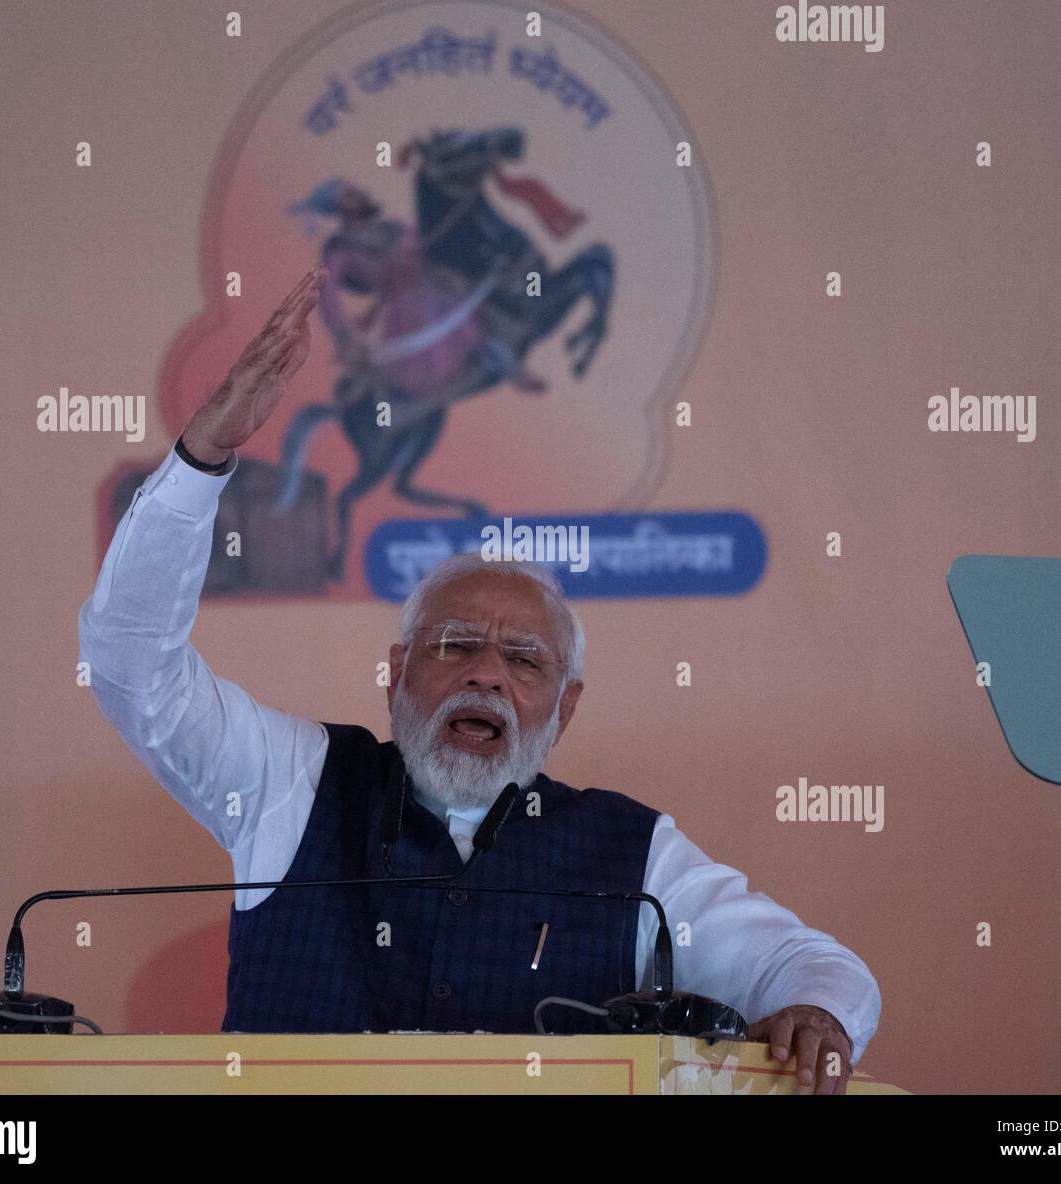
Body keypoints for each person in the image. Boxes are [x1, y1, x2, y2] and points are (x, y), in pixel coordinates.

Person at [78, 265, 881, 1094]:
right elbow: (132, 667)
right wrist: (200, 458)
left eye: (523, 660)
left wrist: (814, 1011)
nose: (486, 676)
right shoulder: (289, 782)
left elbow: (810, 965)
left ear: (563, 710)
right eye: (454, 646)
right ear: (394, 678)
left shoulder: (629, 853)